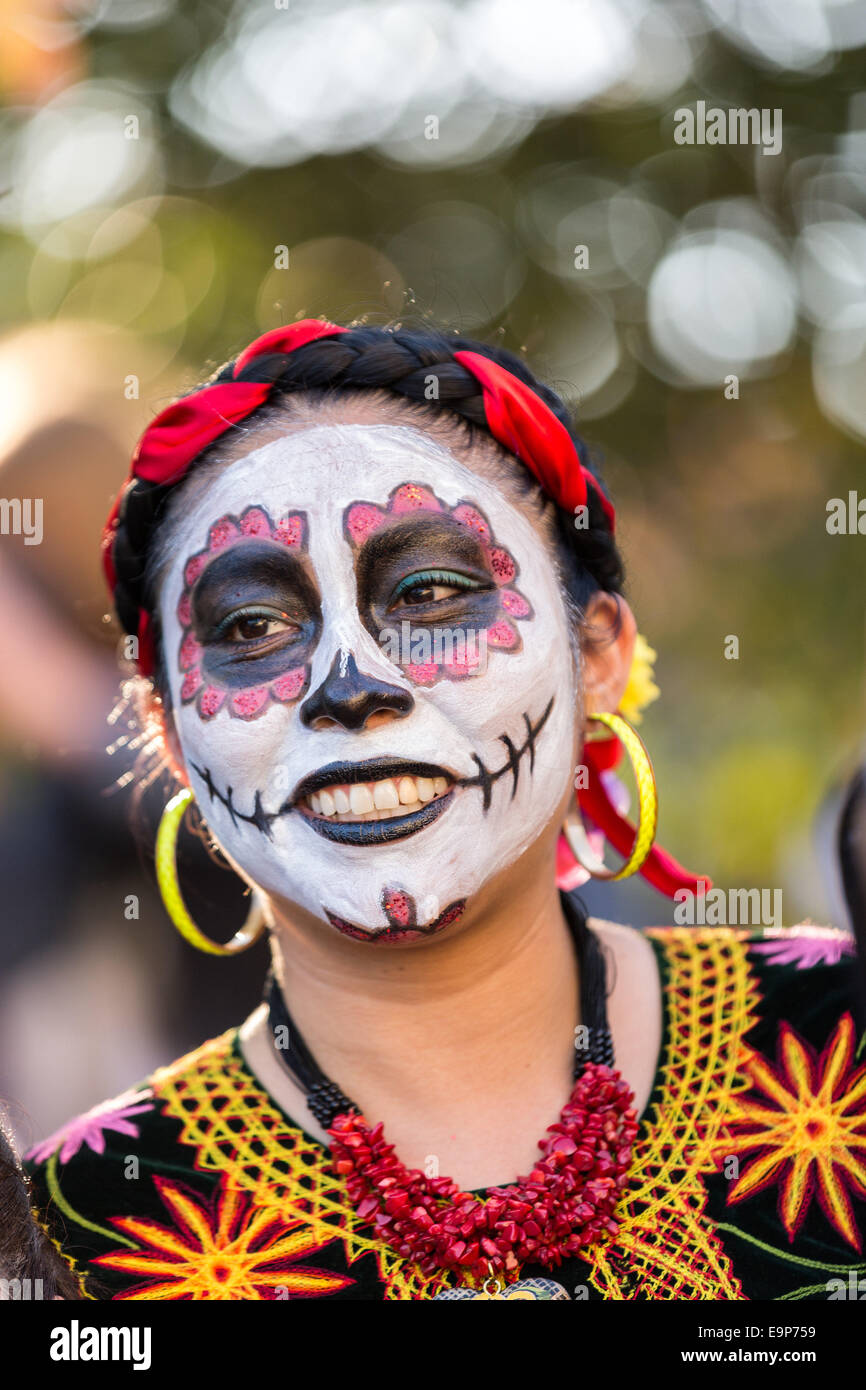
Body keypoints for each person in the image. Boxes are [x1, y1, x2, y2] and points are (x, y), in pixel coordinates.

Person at [24, 320, 866, 1301]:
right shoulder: (80, 1235)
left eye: (428, 591)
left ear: (594, 656)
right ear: (169, 734)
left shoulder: (836, 1036)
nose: (350, 686)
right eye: (253, 625)